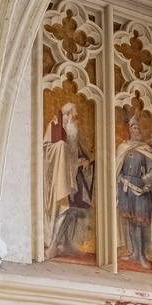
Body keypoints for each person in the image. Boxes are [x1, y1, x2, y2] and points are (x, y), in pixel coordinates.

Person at [43, 102, 95, 259]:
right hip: (61, 178)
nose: (73, 118)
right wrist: (61, 148)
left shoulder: (73, 133)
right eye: (71, 114)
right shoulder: (54, 126)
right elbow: (46, 149)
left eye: (75, 115)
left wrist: (85, 161)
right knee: (64, 210)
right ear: (65, 114)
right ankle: (52, 246)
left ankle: (68, 243)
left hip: (74, 177)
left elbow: (79, 154)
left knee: (73, 211)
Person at [115, 115, 152, 269]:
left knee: (140, 222)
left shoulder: (145, 149)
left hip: (140, 189)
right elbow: (116, 166)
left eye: (139, 128)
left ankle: (141, 255)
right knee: (131, 222)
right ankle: (134, 253)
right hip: (125, 189)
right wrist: (118, 178)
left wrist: (144, 180)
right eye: (134, 127)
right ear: (130, 129)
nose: (136, 130)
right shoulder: (123, 147)